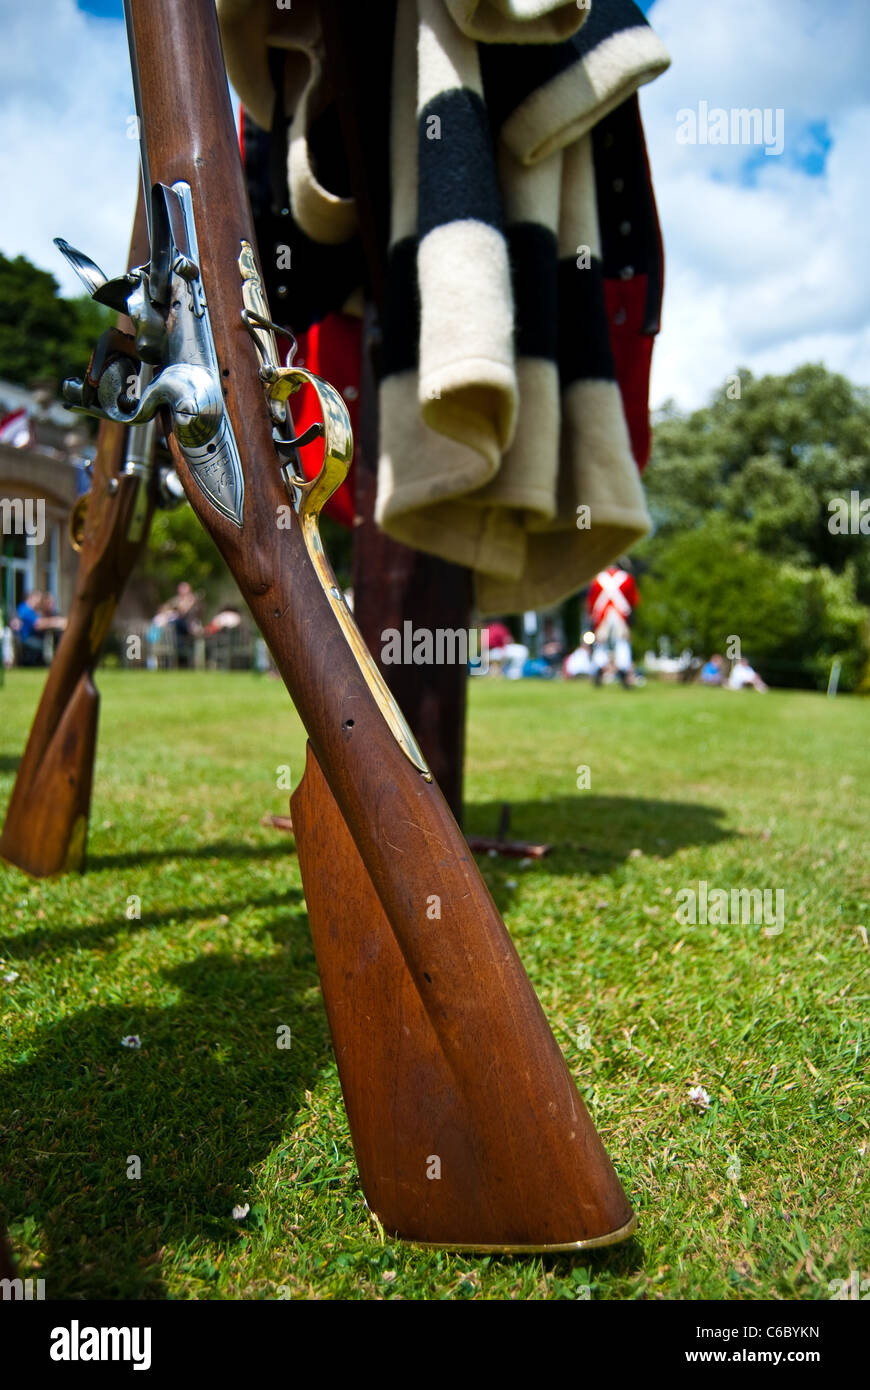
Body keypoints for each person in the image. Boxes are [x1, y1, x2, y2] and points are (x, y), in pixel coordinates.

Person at [586, 563, 639, 687]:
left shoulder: (597, 579)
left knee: (601, 645)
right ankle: (624, 669)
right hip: (620, 615)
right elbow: (633, 600)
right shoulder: (627, 578)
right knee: (622, 643)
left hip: (602, 616)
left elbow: (591, 601)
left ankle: (598, 667)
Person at [12, 590, 67, 666]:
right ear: (32, 598)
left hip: (27, 638)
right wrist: (55, 621)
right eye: (38, 599)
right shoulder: (26, 609)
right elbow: (38, 624)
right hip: (26, 638)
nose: (39, 602)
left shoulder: (24, 608)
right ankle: (51, 663)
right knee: (48, 645)